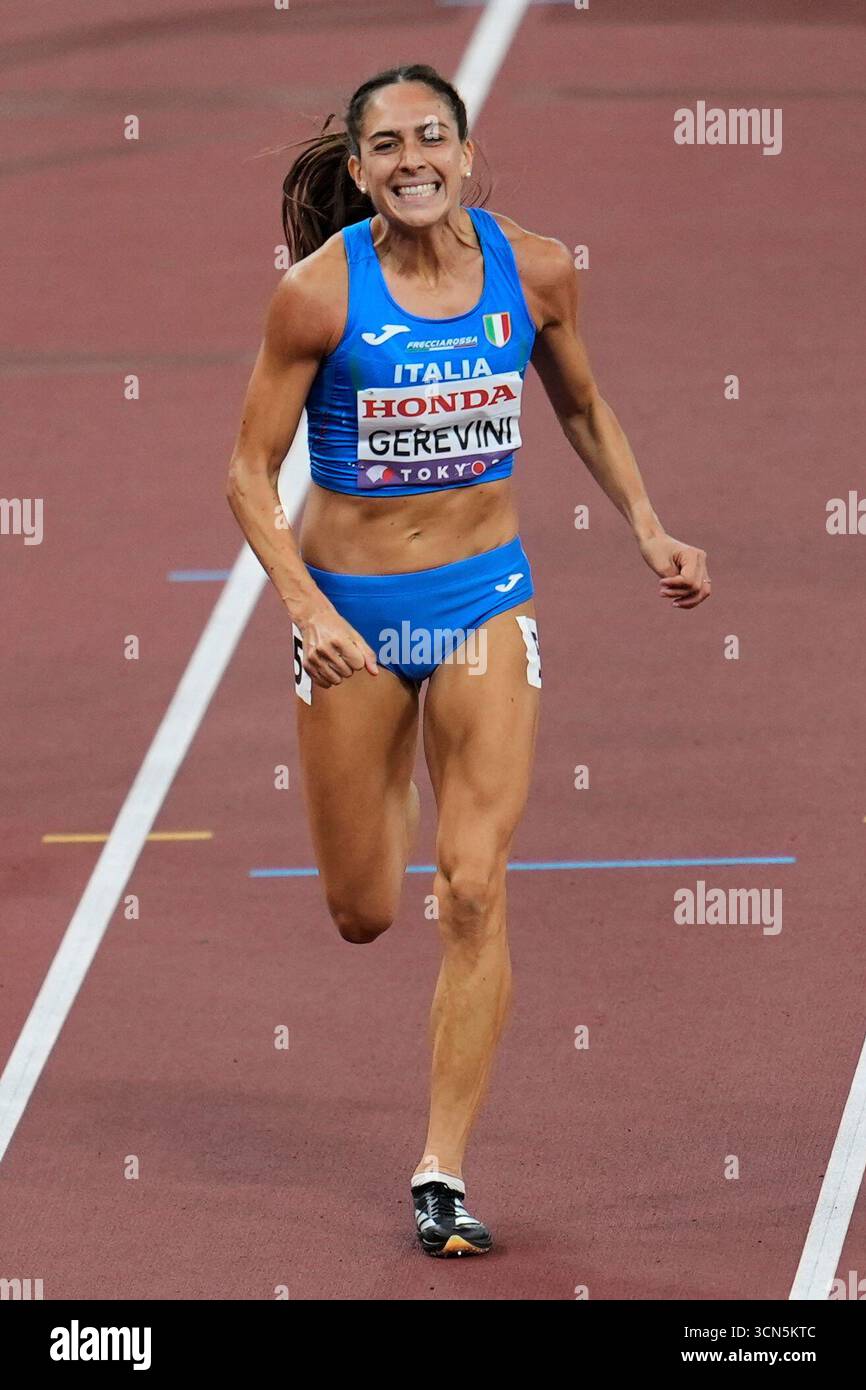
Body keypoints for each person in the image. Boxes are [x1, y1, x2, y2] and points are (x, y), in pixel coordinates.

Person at [226, 63, 711, 1258]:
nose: (410, 161)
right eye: (385, 146)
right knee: (362, 908)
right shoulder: (313, 297)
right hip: (351, 613)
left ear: (466, 149)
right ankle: (386, 770)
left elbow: (584, 407)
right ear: (357, 169)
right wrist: (304, 609)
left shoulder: (535, 268)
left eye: (429, 137)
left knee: (476, 881)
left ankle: (440, 1168)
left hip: (483, 598)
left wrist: (647, 524)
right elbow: (248, 472)